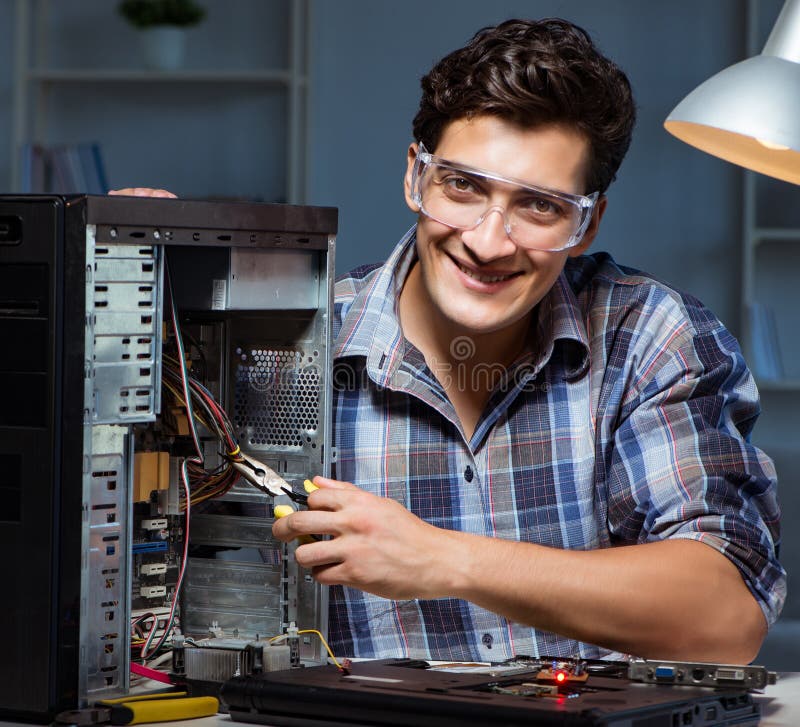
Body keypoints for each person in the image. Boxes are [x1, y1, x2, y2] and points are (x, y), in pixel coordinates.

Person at [116, 18, 784, 664]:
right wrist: (126, 311)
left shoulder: (648, 336)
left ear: (588, 222)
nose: (489, 241)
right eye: (463, 186)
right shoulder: (273, 342)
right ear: (416, 176)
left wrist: (443, 558)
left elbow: (724, 617)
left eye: (539, 205)